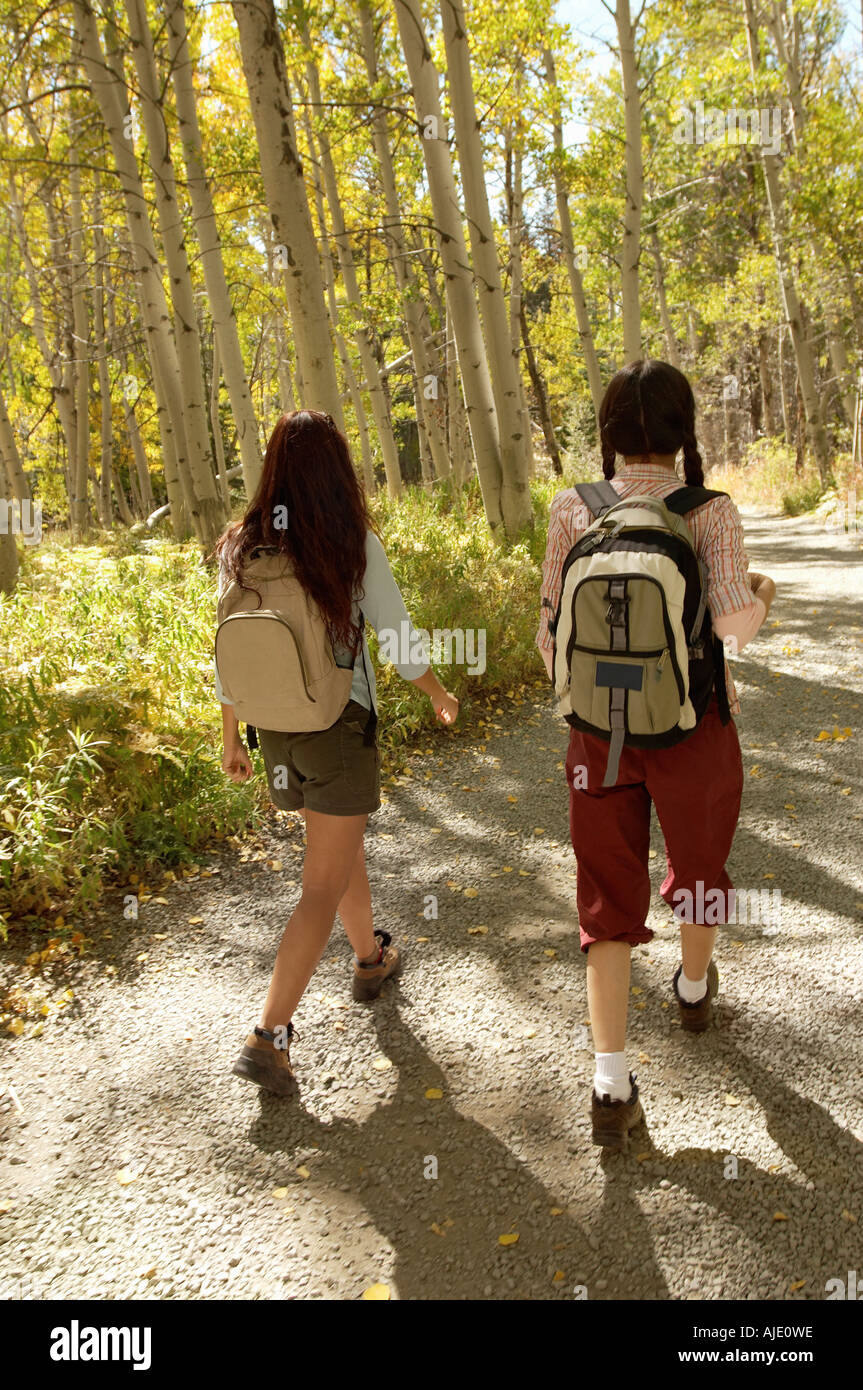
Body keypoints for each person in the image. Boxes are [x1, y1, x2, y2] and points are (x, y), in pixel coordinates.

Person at [537, 360, 776, 1148]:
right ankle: (693, 986)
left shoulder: (571, 509)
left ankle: (609, 1086)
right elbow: (733, 631)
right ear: (683, 433)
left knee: (605, 896)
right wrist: (762, 598)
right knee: (700, 867)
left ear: (608, 435)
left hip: (596, 736)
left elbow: (550, 644)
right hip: (694, 730)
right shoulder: (708, 512)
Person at [214, 410, 459, 1097]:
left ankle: (369, 959)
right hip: (338, 729)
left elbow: (226, 651)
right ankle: (269, 1034)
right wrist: (438, 693)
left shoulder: (242, 545)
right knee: (317, 885)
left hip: (277, 734)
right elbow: (397, 636)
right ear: (338, 473)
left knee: (336, 848)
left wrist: (231, 738)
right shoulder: (349, 543)